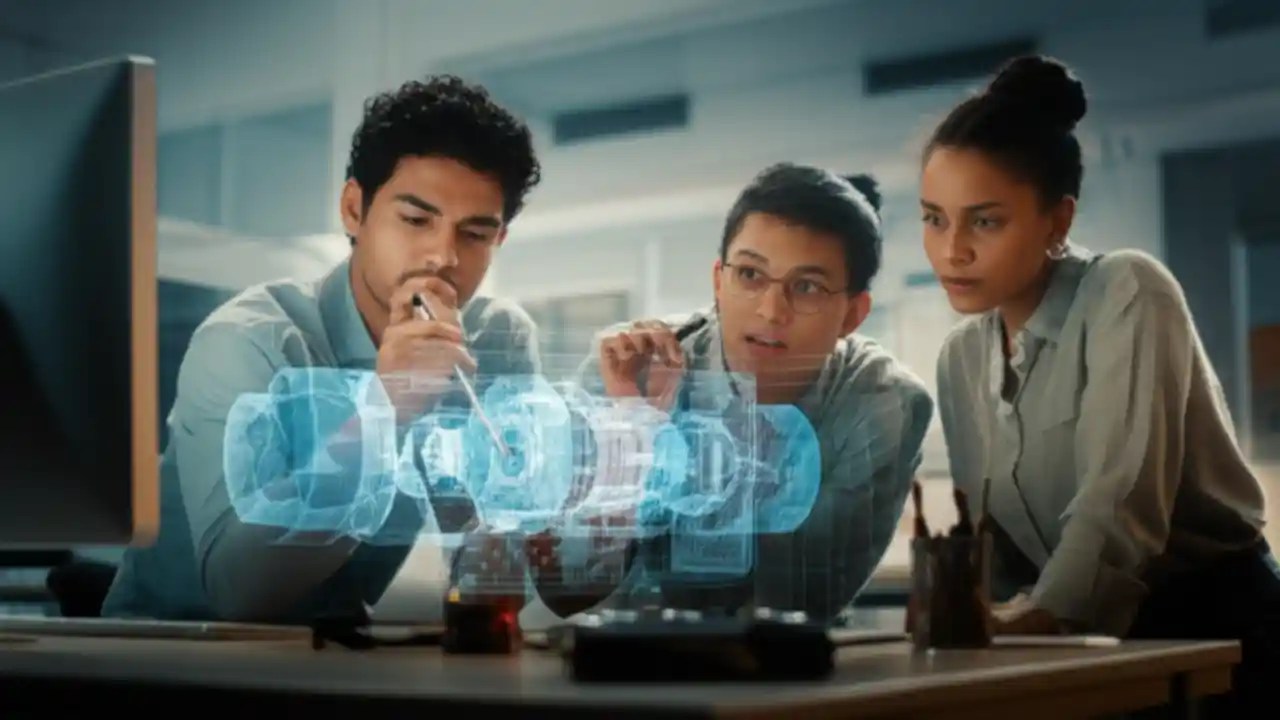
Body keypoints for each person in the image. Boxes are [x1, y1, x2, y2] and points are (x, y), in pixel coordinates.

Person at [102, 75, 543, 622]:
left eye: (474, 234)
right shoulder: (249, 340)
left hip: (337, 654)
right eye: (415, 220)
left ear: (498, 240)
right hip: (162, 658)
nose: (442, 256)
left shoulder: (496, 339)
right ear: (354, 210)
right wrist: (387, 410)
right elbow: (239, 593)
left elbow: (510, 565)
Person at [922, 54, 1278, 709]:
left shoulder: (1127, 291)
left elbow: (1117, 511)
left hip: (1224, 630)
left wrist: (1022, 623)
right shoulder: (960, 358)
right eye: (935, 218)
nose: (952, 250)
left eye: (985, 220)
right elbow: (995, 544)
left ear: (1058, 222)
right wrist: (979, 617)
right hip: (1081, 640)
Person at [529, 164, 933, 624]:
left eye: (807, 287)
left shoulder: (884, 403)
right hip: (612, 674)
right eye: (750, 275)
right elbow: (566, 588)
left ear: (852, 315)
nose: (770, 311)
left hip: (776, 681)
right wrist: (636, 427)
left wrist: (651, 474)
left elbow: (804, 596)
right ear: (718, 281)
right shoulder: (627, 369)